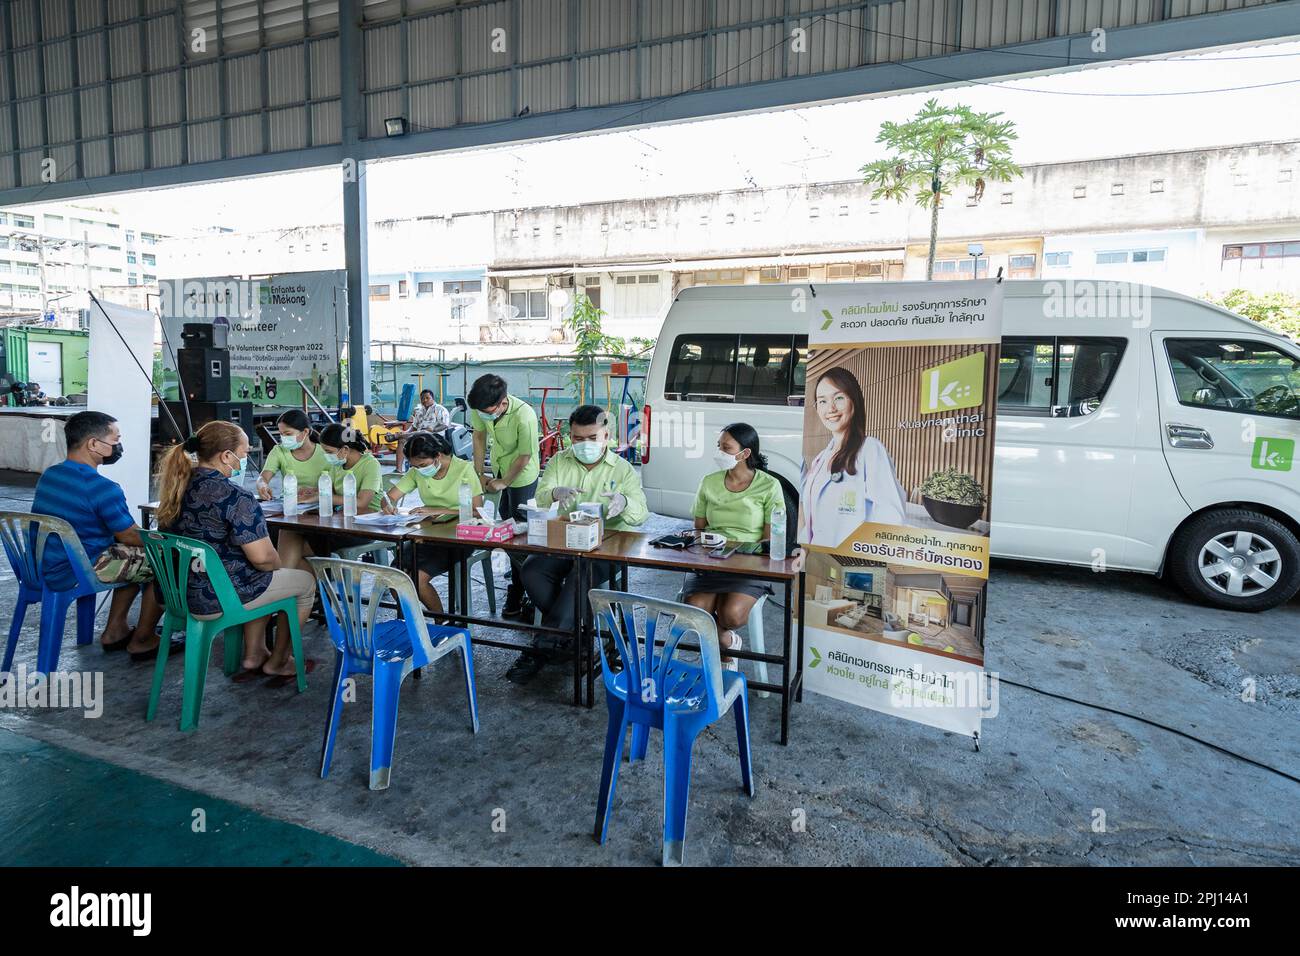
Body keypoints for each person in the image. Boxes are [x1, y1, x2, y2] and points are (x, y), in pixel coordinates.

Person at [154, 421, 315, 683]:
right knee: (302, 581)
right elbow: (263, 559)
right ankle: (280, 660)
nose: (244, 459)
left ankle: (255, 652)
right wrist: (277, 564)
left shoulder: (176, 487)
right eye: (243, 453)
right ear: (226, 456)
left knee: (261, 576)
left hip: (174, 594)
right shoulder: (235, 496)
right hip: (214, 598)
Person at [513, 405, 648, 684]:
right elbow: (540, 496)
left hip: (605, 545)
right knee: (531, 569)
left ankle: (543, 647)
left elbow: (640, 515)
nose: (584, 445)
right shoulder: (560, 461)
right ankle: (576, 636)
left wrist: (623, 504)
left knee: (581, 576)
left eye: (592, 438)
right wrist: (554, 492)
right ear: (569, 436)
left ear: (606, 436)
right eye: (577, 439)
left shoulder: (622, 469)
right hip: (565, 539)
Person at [31, 411, 165, 659]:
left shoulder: (50, 475)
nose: (118, 447)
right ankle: (143, 640)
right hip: (76, 569)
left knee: (133, 557)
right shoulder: (101, 488)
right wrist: (163, 537)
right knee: (164, 562)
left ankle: (116, 629)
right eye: (115, 441)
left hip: (42, 565)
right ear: (93, 444)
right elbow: (130, 536)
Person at [683, 424, 785, 670]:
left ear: (745, 453)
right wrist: (703, 547)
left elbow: (770, 539)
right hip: (711, 559)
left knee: (731, 615)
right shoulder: (709, 482)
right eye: (719, 446)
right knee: (695, 612)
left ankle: (722, 645)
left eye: (726, 448)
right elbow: (698, 528)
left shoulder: (769, 486)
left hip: (749, 561)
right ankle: (725, 643)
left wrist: (741, 554)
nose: (720, 452)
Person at [800, 366, 907, 546]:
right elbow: (811, 522)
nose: (831, 408)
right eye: (822, 401)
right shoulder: (820, 458)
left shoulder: (870, 449)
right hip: (819, 561)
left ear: (854, 401)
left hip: (850, 563)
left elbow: (891, 520)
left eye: (839, 398)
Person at [379, 432, 483, 618]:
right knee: (395, 578)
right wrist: (387, 505)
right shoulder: (417, 472)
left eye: (422, 465)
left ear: (438, 456)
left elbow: (477, 511)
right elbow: (389, 497)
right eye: (414, 466)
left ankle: (441, 621)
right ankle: (414, 623)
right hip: (427, 535)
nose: (418, 470)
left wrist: (437, 509)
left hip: (459, 536)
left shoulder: (463, 469)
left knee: (418, 581)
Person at [468, 373, 539, 619]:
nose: (483, 415)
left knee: (521, 534)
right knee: (506, 532)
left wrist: (504, 482)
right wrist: (478, 473)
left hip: (521, 476)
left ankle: (529, 589)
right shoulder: (481, 407)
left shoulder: (525, 415)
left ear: (502, 402)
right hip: (498, 467)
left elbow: (525, 456)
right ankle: (520, 586)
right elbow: (478, 436)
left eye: (488, 410)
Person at [275, 422, 384, 572]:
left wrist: (322, 497)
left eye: (328, 451)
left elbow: (362, 502)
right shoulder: (337, 465)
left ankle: (305, 585)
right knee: (288, 530)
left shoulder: (370, 464)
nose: (327, 456)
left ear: (345, 449)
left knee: (289, 551)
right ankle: (310, 585)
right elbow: (330, 491)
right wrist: (310, 492)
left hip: (364, 527)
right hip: (338, 521)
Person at [255, 409, 328, 501]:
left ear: (305, 431)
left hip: (321, 504)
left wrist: (315, 492)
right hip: (289, 505)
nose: (284, 438)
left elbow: (336, 485)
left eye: (288, 434)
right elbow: (263, 477)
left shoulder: (326, 453)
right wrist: (262, 485)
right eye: (281, 434)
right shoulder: (279, 451)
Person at [393, 389, 452, 471]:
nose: (424, 400)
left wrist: (433, 430)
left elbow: (445, 425)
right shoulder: (419, 411)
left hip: (434, 436)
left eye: (427, 398)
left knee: (424, 432)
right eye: (422, 399)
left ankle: (400, 436)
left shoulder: (440, 409)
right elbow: (414, 427)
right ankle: (398, 470)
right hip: (419, 435)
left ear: (432, 398)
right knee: (402, 439)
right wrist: (405, 432)